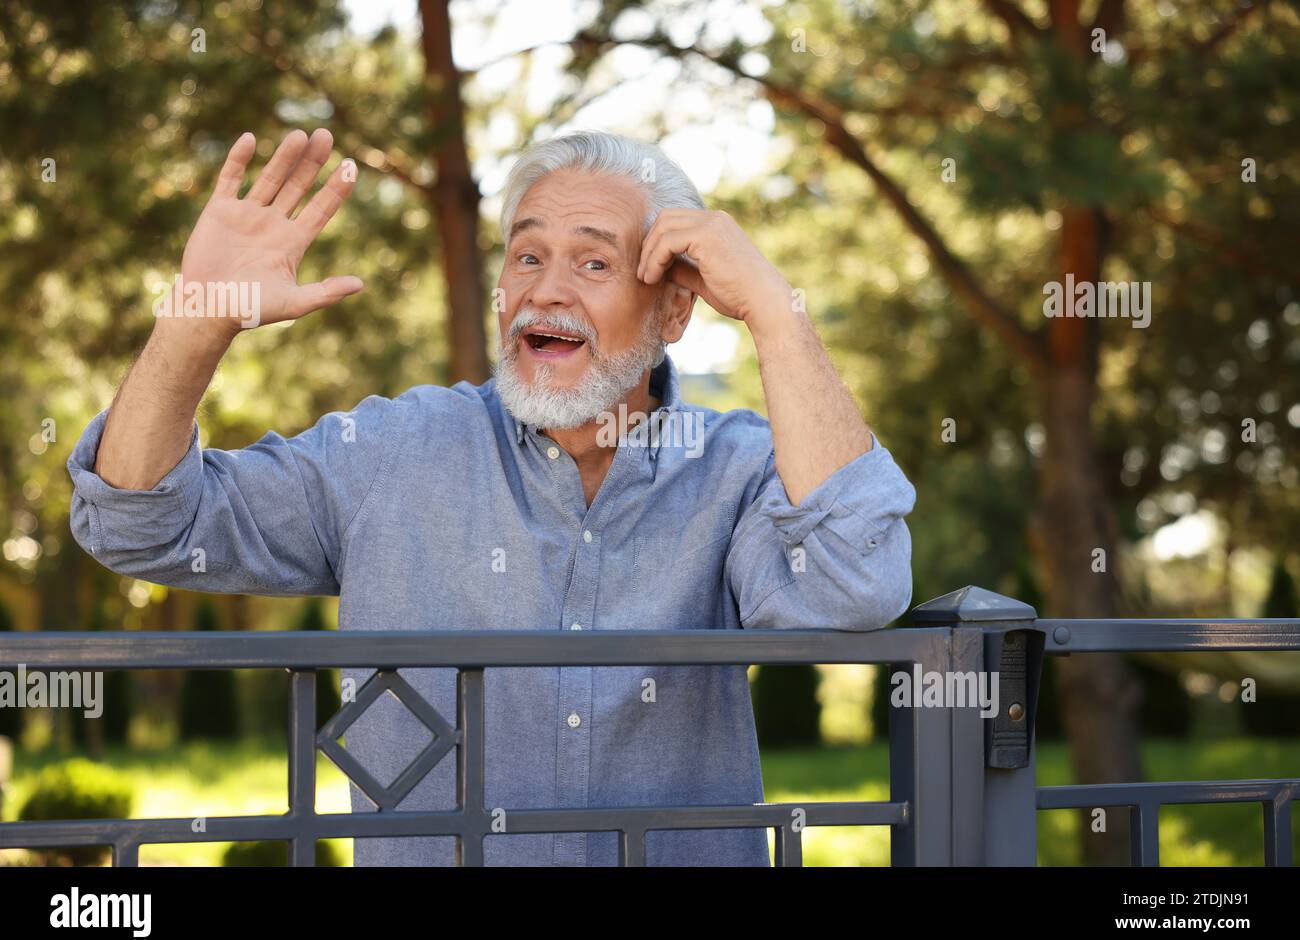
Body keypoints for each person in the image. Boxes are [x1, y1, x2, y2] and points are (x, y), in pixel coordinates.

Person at [67, 128, 916, 865]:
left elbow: (855, 587)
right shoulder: (390, 451)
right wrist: (196, 318)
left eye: (593, 261)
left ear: (674, 310)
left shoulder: (737, 467)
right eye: (527, 254)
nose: (547, 289)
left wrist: (774, 309)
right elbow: (140, 524)